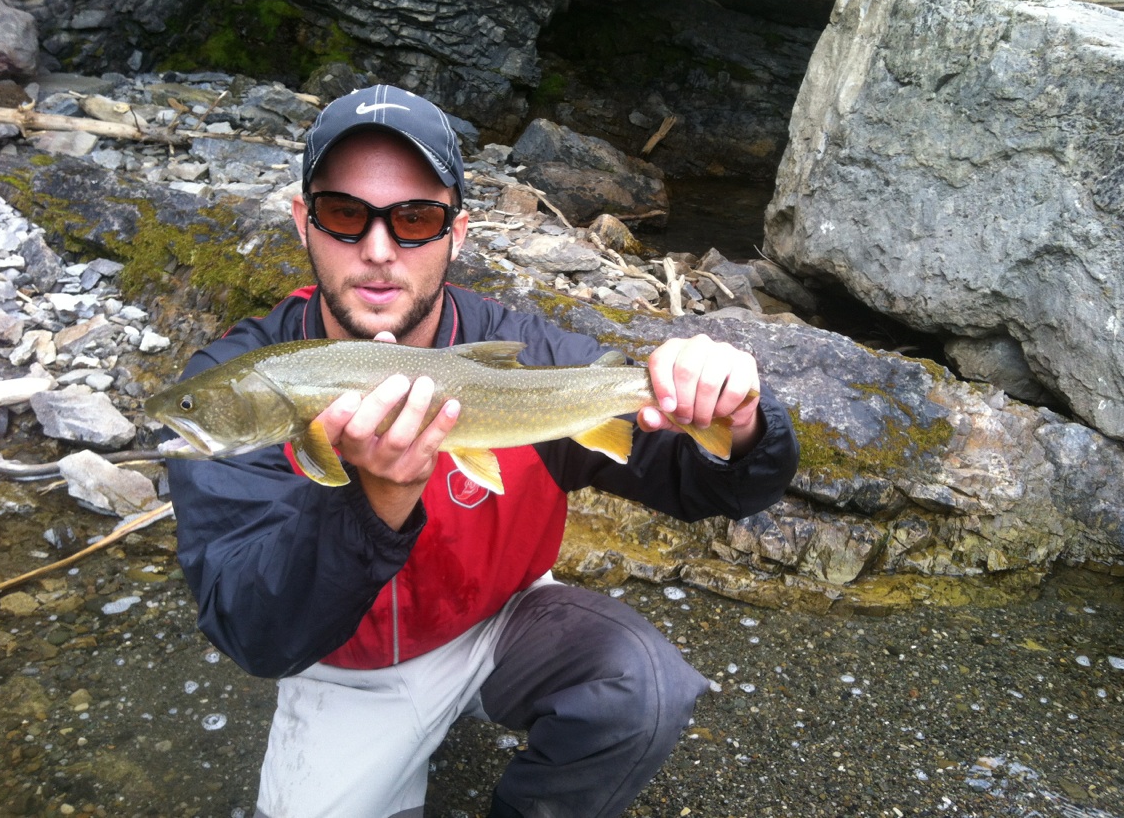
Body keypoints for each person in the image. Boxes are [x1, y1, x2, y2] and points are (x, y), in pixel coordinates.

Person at [166, 84, 799, 818]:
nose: (377, 250)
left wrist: (740, 417)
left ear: (457, 233)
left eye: (414, 219)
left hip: (500, 621)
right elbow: (256, 634)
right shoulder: (234, 382)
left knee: (645, 686)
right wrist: (373, 501)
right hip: (344, 668)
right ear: (304, 222)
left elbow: (711, 486)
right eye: (345, 215)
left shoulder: (529, 353)